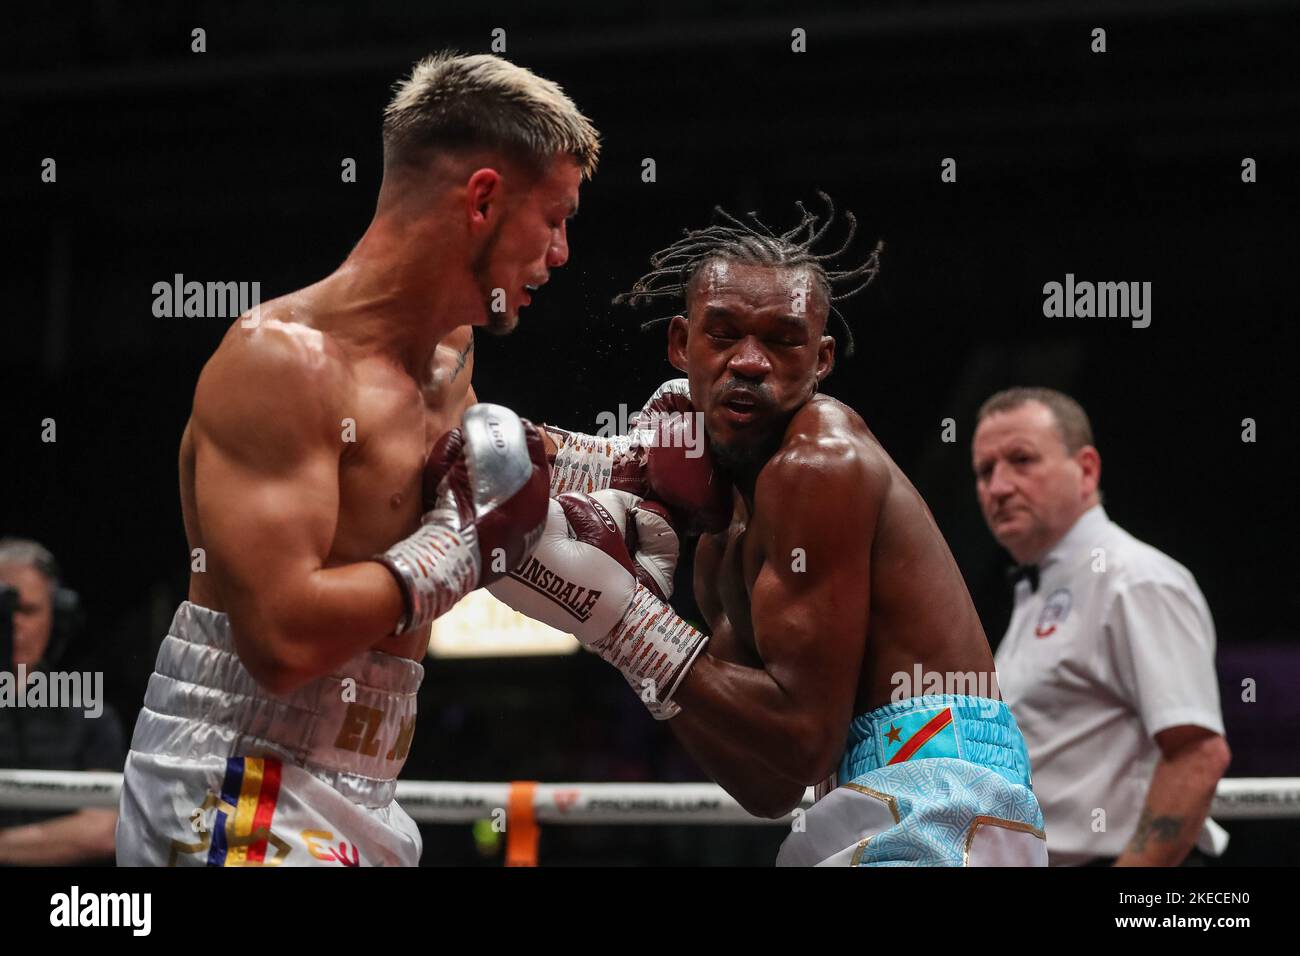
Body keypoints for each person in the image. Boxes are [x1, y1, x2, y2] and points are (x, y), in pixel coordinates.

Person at [115, 52, 596, 867]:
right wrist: (462, 546)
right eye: (553, 218)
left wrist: (619, 471)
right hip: (239, 781)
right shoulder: (279, 363)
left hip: (368, 783)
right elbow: (280, 641)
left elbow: (470, 478)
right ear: (482, 199)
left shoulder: (451, 357)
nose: (560, 252)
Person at [489, 197, 1048, 866]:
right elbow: (772, 780)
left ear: (822, 360)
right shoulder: (720, 539)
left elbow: (803, 740)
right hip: (862, 798)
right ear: (680, 344)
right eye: (723, 334)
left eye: (782, 340)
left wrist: (621, 618)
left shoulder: (821, 462)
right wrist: (620, 632)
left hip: (938, 791)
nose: (750, 361)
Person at [971, 387, 1231, 866]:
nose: (999, 486)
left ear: (1086, 470)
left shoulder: (1135, 580)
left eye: (1021, 460)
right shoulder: (1041, 589)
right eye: (985, 471)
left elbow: (1198, 754)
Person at [0, 538, 124, 865]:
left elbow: (102, 829)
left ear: (57, 616)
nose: (14, 625)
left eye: (28, 611)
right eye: (4, 611)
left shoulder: (89, 712)